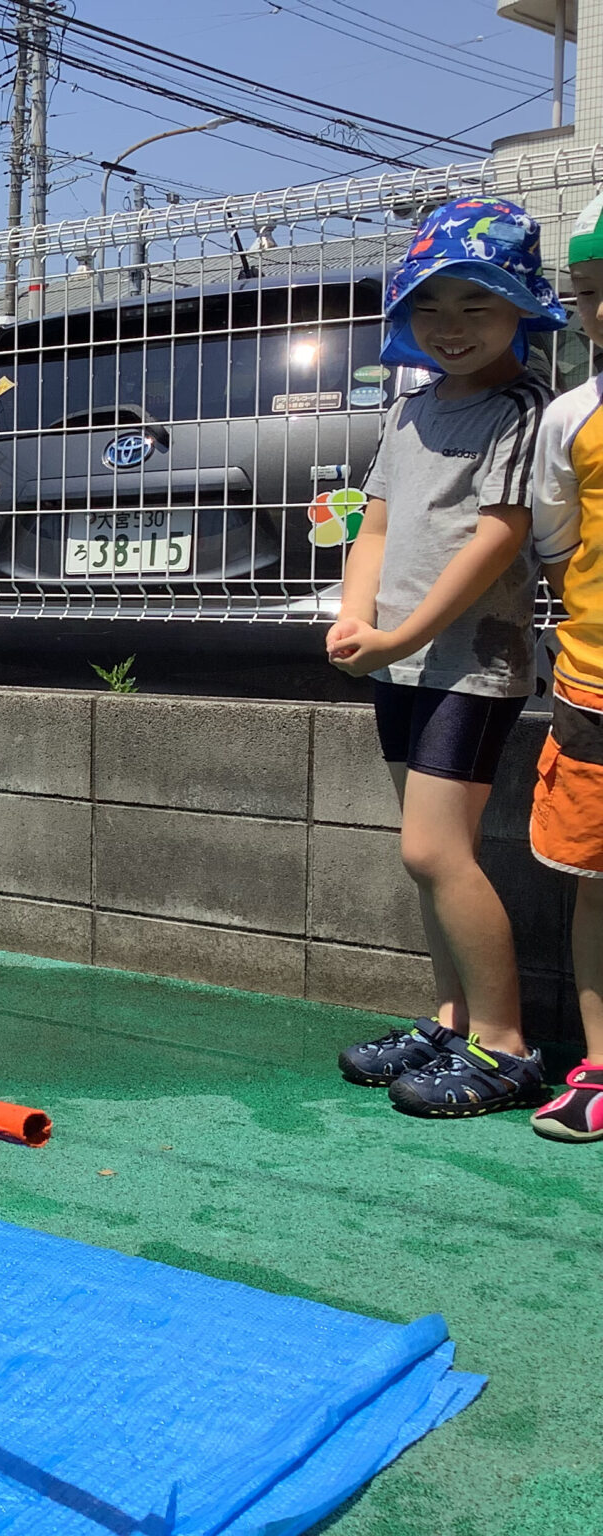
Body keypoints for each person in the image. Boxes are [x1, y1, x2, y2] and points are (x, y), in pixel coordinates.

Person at [325, 197, 562, 1117]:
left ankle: (504, 1047)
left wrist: (404, 633)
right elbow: (374, 525)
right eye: (431, 308)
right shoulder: (412, 409)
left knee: (435, 851)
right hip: (398, 660)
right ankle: (453, 1019)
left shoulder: (521, 409)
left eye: (477, 305)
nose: (451, 328)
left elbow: (498, 538)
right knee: (427, 854)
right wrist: (358, 616)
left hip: (471, 662)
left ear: (520, 309)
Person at [522, 196, 603, 1143]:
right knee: (596, 880)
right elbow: (558, 552)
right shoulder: (570, 418)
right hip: (592, 688)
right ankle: (597, 1060)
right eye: (591, 293)